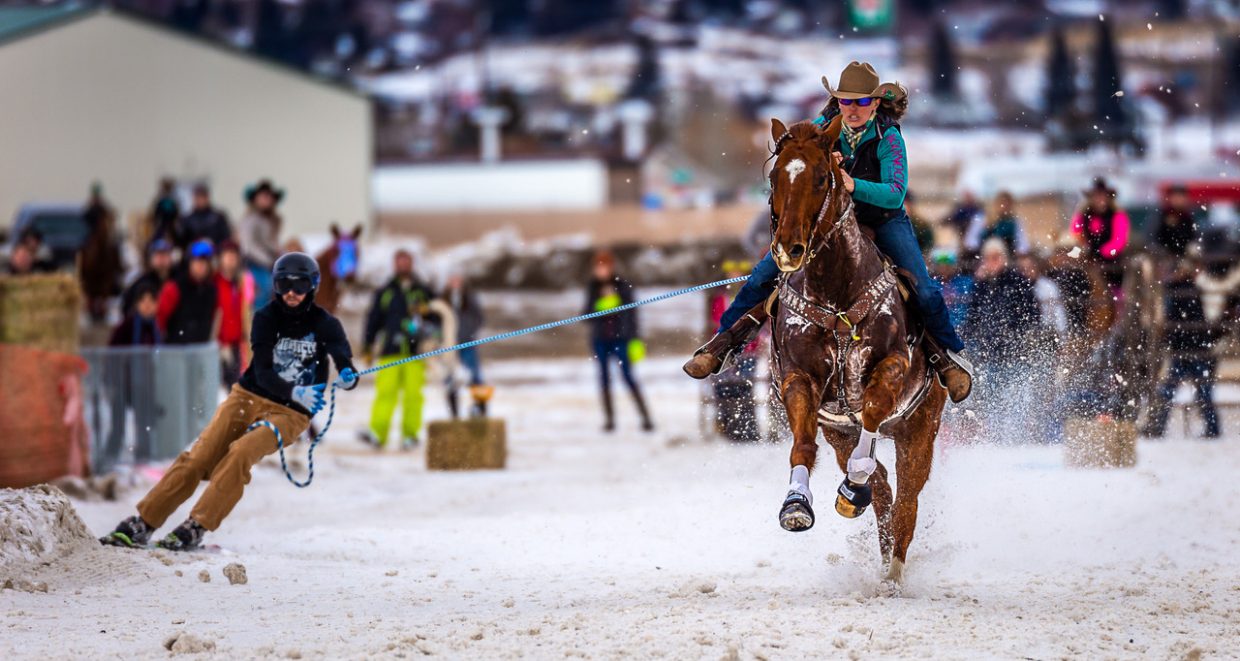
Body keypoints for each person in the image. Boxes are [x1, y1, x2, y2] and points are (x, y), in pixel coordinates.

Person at [684, 60, 974, 403]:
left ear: (876, 104)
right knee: (764, 275)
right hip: (830, 223)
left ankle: (948, 358)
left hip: (883, 219)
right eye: (846, 101)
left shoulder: (889, 138)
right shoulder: (822, 129)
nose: (852, 109)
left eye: (861, 102)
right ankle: (721, 345)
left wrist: (853, 184)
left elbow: (896, 192)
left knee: (922, 287)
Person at [100, 252, 360, 550]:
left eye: (300, 286)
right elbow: (261, 372)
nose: (291, 293)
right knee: (199, 457)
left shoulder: (326, 324)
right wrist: (294, 389)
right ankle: (143, 522)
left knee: (240, 452)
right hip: (249, 394)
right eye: (284, 285)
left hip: (291, 413)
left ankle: (197, 524)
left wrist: (348, 375)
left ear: (312, 287)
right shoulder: (265, 318)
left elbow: (343, 360)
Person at [360, 249, 437, 449]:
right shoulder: (385, 291)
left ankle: (409, 436)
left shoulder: (423, 291)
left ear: (412, 264)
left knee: (413, 397)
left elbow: (438, 317)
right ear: (394, 264)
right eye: (399, 261)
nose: (403, 265)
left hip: (416, 352)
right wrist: (368, 345)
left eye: (406, 261)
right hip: (389, 351)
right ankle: (378, 433)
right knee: (385, 394)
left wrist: (428, 316)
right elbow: (373, 320)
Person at [1142, 260, 1224, 439]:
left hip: (1187, 348)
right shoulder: (1188, 290)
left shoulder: (1177, 291)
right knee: (1201, 391)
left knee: (1173, 390)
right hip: (1195, 347)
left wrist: (1170, 339)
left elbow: (1174, 321)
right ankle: (1211, 428)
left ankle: (1157, 427)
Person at [586, 250, 654, 432]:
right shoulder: (593, 287)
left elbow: (632, 315)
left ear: (611, 267)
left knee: (628, 377)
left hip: (621, 339)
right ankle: (609, 421)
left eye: (604, 267)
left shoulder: (622, 286)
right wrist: (602, 304)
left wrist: (635, 339)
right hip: (600, 340)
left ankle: (646, 419)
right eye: (598, 267)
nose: (601, 271)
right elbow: (586, 314)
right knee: (604, 379)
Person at [1070, 177, 1130, 288]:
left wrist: (1101, 253)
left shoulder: (1117, 215)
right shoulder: (1083, 215)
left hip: (1111, 261)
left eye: (1102, 195)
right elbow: (1076, 233)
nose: (1100, 199)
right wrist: (1085, 249)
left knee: (1113, 282)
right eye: (1096, 196)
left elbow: (1119, 240)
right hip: (1088, 258)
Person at [442, 272, 488, 418]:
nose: (455, 282)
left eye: (457, 279)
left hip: (467, 344)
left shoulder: (470, 297)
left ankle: (480, 410)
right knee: (450, 380)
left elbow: (479, 319)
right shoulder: (443, 299)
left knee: (475, 377)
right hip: (449, 347)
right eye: (452, 279)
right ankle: (454, 415)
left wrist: (469, 333)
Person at [157, 240, 219, 344]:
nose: (201, 266)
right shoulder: (174, 287)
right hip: (176, 350)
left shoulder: (211, 289)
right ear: (189, 263)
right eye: (197, 261)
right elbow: (159, 320)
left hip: (201, 350)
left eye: (204, 262)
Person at [79, 183, 124, 322]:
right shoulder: (90, 207)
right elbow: (84, 219)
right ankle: (80, 270)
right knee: (82, 247)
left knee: (114, 247)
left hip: (103, 236)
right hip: (92, 235)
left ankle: (119, 270)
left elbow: (111, 218)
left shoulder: (104, 207)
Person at [238, 180, 284, 311]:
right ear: (255, 199)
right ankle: (258, 316)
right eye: (264, 196)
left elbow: (272, 244)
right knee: (266, 285)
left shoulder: (271, 220)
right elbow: (248, 246)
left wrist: (282, 254)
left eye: (269, 197)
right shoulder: (250, 220)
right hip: (252, 263)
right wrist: (269, 261)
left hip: (269, 263)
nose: (267, 200)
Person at [214, 240, 255, 388]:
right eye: (227, 254)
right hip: (217, 345)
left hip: (237, 345)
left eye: (234, 254)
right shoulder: (214, 281)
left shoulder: (243, 282)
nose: (230, 258)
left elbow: (247, 314)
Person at [964, 190, 1030, 257]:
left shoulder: (1015, 221)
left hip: (1008, 255)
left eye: (1007, 204)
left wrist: (1019, 252)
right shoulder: (982, 218)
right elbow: (971, 240)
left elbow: (1023, 243)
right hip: (984, 254)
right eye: (1002, 203)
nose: (1004, 207)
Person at [121, 239, 175, 315]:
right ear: (151, 259)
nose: (162, 259)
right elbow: (126, 306)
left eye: (165, 254)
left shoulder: (178, 281)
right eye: (158, 255)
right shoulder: (141, 283)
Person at [176, 183, 232, 253]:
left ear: (207, 197)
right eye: (198, 197)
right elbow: (181, 241)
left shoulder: (218, 217)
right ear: (194, 198)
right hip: (194, 256)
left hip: (215, 253)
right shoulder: (187, 219)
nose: (200, 200)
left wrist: (214, 245)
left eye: (203, 196)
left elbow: (226, 237)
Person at [1151, 184, 1199, 258]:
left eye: (1181, 197)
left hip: (1185, 255)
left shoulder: (1189, 215)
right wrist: (1160, 250)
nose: (1178, 200)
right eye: (1176, 197)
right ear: (1170, 198)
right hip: (1163, 254)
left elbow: (1195, 236)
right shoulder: (1162, 214)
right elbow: (1152, 236)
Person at [148, 177, 181, 248]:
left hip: (170, 224)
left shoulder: (173, 200)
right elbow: (155, 213)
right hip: (162, 224)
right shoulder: (160, 200)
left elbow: (177, 213)